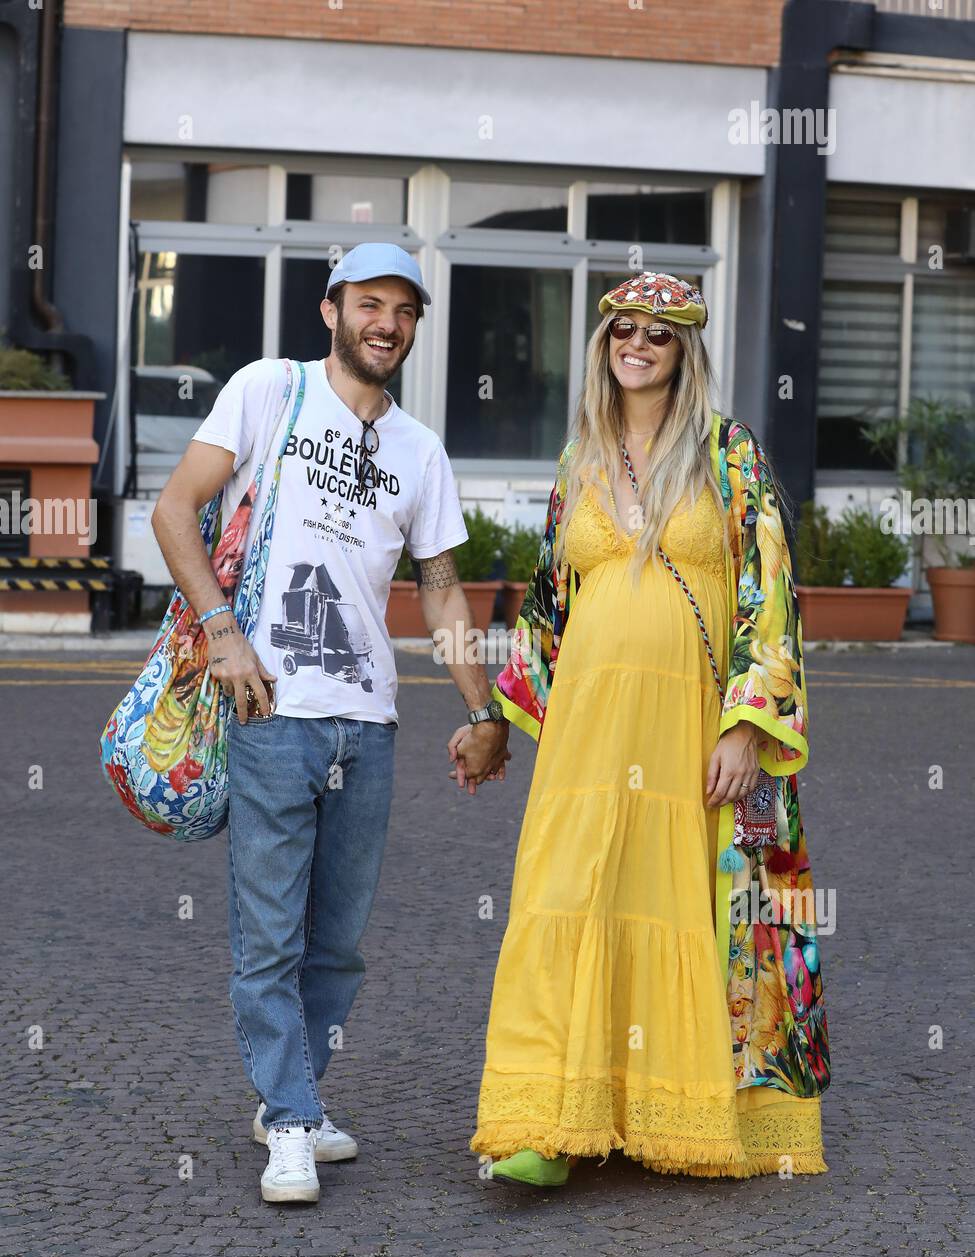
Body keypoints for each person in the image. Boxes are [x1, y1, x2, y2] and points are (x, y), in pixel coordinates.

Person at [152, 243, 510, 1203]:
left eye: (401, 309)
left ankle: (286, 1099)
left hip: (369, 725)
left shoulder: (418, 451)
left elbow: (440, 592)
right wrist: (224, 633)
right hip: (270, 711)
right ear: (330, 310)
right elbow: (175, 510)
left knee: (337, 944)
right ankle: (295, 1124)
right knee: (267, 937)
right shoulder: (269, 392)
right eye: (368, 304)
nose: (384, 322)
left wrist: (481, 709)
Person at [469, 271, 830, 1186]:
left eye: (658, 335)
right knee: (568, 894)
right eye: (623, 329)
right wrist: (498, 726)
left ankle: (674, 1112)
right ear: (603, 345)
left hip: (689, 729)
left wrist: (747, 729)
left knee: (680, 905)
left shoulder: (728, 455)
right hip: (587, 736)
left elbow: (771, 598)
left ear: (684, 352)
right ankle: (548, 1123)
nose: (636, 344)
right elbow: (547, 607)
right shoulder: (577, 458)